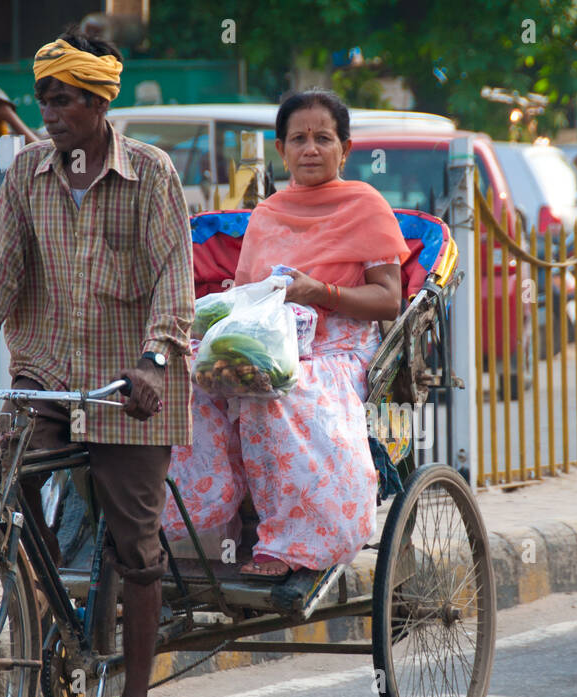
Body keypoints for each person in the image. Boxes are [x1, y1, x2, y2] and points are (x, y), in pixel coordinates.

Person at [0, 30, 193, 697]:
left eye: (64, 98)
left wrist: (155, 358)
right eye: (44, 97)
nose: (50, 111)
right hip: (45, 373)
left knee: (137, 544)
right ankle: (51, 603)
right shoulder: (28, 175)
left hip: (128, 386)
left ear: (100, 100)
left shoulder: (153, 175)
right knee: (6, 480)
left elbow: (176, 278)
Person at [162, 89, 409, 579]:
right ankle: (195, 521)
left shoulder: (366, 205)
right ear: (281, 149)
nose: (310, 149)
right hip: (272, 336)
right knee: (185, 377)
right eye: (299, 139)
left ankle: (291, 541)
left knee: (272, 391)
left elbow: (388, 300)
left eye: (323, 138)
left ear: (346, 149)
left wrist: (321, 291)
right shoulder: (267, 213)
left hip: (340, 345)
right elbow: (249, 298)